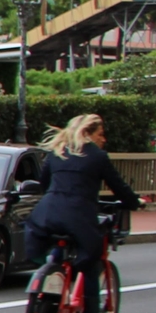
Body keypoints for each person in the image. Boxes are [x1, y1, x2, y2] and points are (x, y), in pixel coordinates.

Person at [24, 112, 141, 274]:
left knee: (48, 243)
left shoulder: (57, 152)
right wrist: (134, 202)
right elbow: (119, 187)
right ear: (87, 133)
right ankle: (87, 289)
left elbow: (44, 183)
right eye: (100, 134)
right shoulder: (98, 156)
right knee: (92, 258)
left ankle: (49, 270)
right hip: (78, 216)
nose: (104, 139)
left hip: (47, 214)